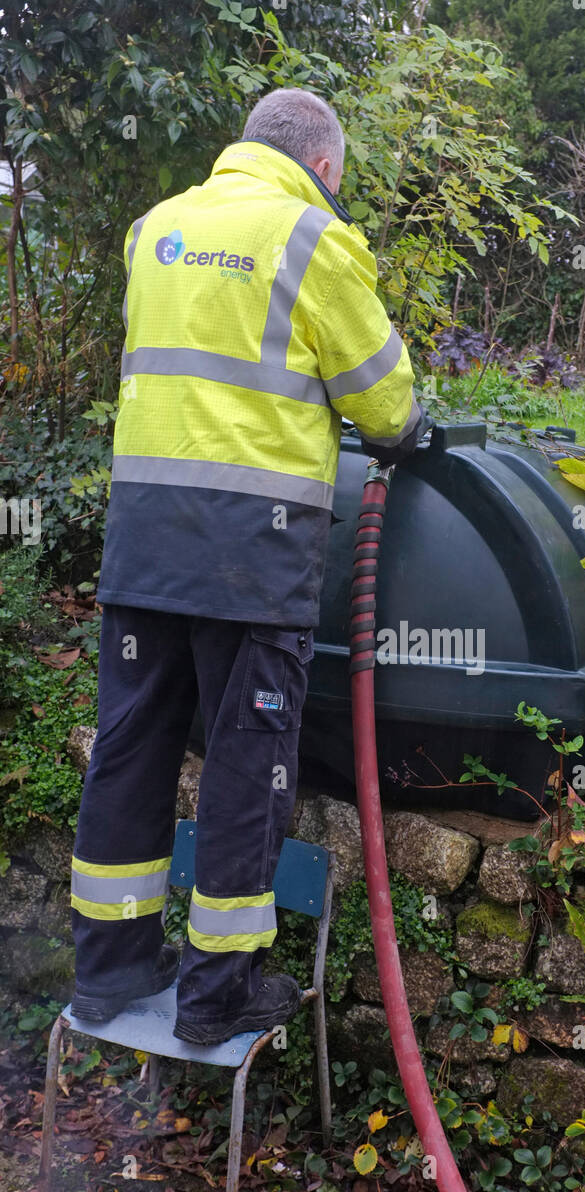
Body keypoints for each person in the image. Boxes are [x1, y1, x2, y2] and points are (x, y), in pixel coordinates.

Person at [69, 88, 427, 1045]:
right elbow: (384, 403)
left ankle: (104, 976)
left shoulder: (158, 230)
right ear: (321, 164)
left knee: (132, 746)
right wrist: (410, 423)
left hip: (143, 544)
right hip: (250, 557)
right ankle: (214, 998)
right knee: (242, 762)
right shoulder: (311, 238)